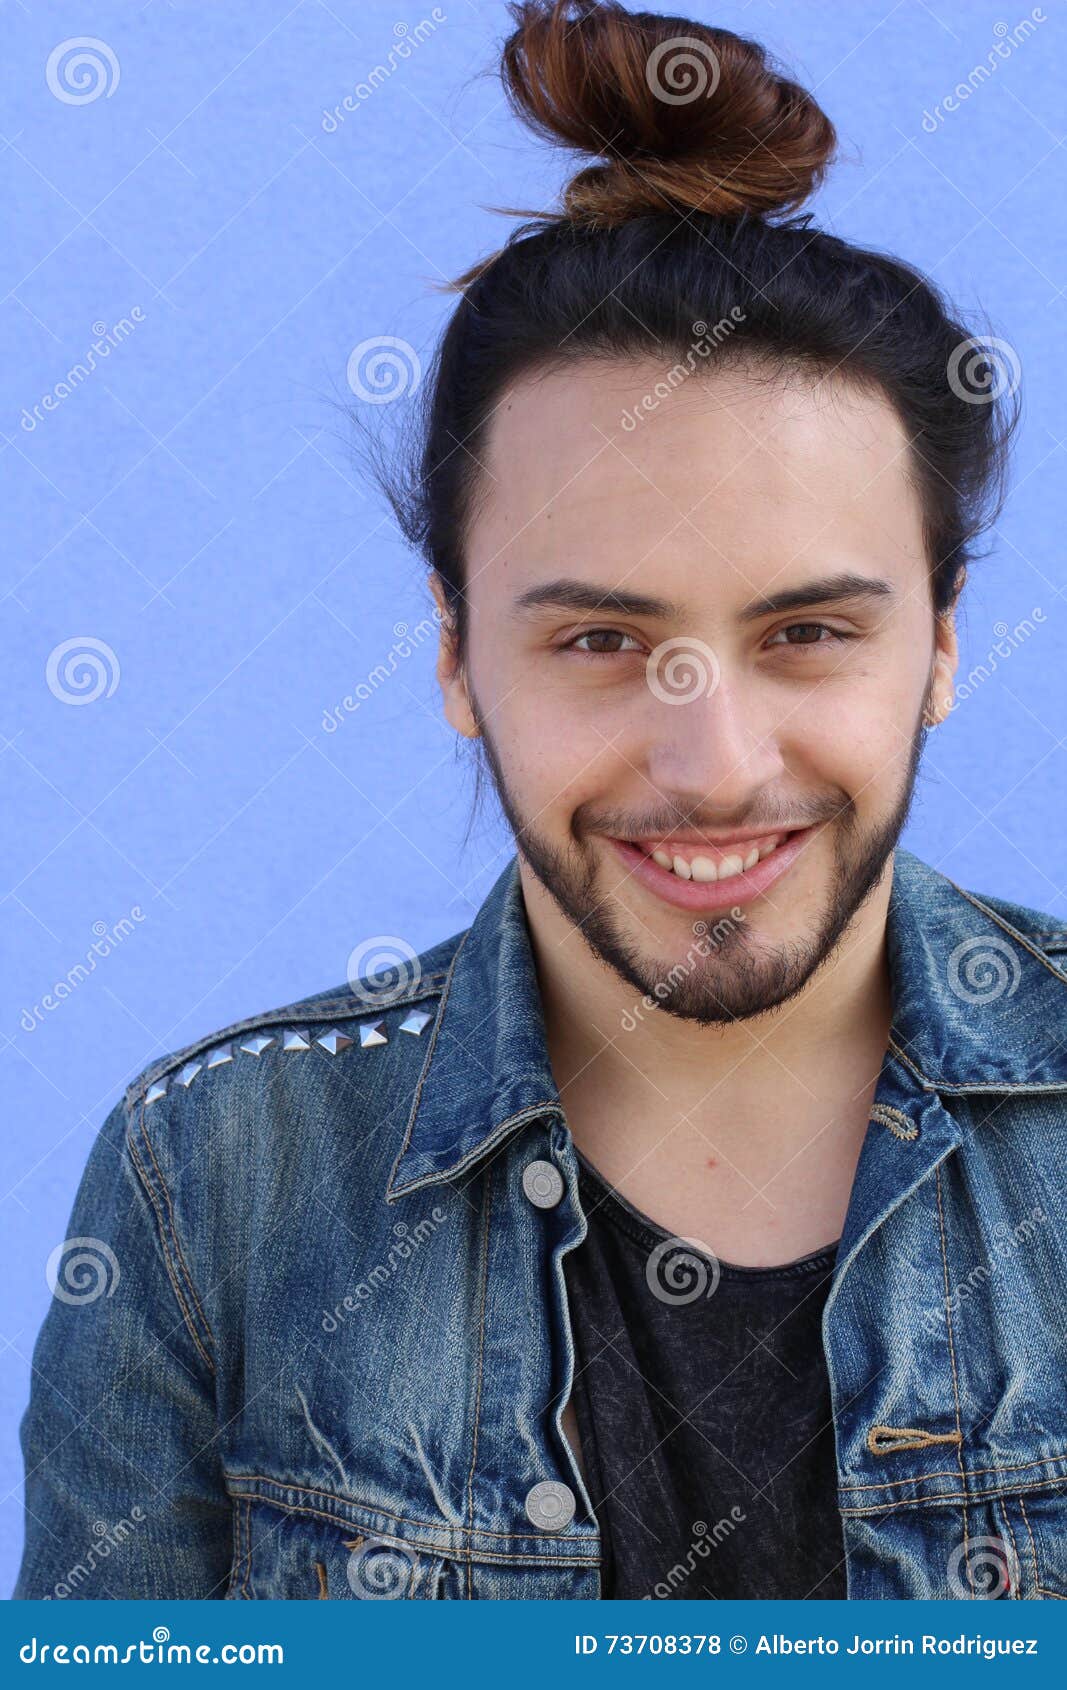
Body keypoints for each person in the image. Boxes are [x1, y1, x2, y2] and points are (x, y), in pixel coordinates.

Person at [14, 0, 1065, 1603]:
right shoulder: (209, 1181)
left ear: (941, 642)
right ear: (454, 653)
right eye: (600, 641)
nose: (713, 764)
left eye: (806, 633)